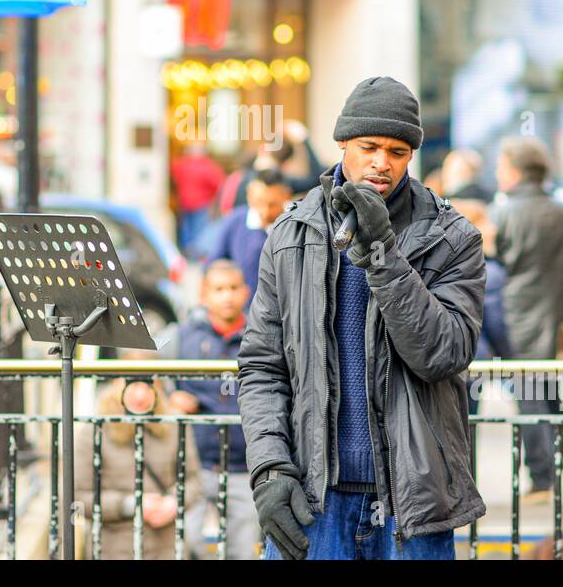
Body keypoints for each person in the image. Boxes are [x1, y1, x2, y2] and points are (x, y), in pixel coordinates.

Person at [238, 76, 486, 560]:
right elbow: (263, 368)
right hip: (315, 498)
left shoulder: (453, 238)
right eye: (369, 147)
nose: (381, 163)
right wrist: (270, 467)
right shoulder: (291, 234)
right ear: (342, 144)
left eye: (397, 151)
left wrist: (383, 254)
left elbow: (443, 353)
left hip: (412, 507)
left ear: (411, 157)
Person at [491, 137, 563, 503]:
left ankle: (542, 478)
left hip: (516, 318)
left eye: (501, 168)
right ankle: (554, 470)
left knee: (529, 396)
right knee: (549, 392)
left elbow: (492, 270)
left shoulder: (502, 215)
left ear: (515, 172)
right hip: (561, 317)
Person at [169, 259, 262, 559]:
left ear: (245, 292)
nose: (227, 296)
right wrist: (170, 397)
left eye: (233, 288)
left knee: (244, 549)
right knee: (189, 542)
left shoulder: (259, 335)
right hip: (195, 466)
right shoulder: (183, 336)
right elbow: (137, 364)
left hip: (244, 468)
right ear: (203, 295)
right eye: (218, 289)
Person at [72, 370, 204, 559]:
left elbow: (193, 480)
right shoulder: (94, 430)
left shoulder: (175, 425)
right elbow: (77, 497)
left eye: (147, 385)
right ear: (117, 384)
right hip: (113, 547)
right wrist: (129, 505)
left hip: (166, 547)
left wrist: (174, 502)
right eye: (133, 384)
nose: (141, 394)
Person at [451, 199, 513, 415]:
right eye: (484, 222)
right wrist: (509, 357)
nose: (493, 229)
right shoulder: (488, 271)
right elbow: (496, 323)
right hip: (473, 361)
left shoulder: (448, 266)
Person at [205, 167, 290, 301]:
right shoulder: (235, 222)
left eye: (272, 204)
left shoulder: (294, 225)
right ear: (249, 195)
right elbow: (213, 264)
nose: (265, 211)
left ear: (286, 196)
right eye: (259, 202)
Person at [170, 144, 225, 252]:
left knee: (186, 230)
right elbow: (220, 184)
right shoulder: (208, 167)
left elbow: (171, 170)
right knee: (198, 231)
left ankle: (186, 252)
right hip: (201, 204)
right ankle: (195, 254)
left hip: (184, 203)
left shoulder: (181, 165)